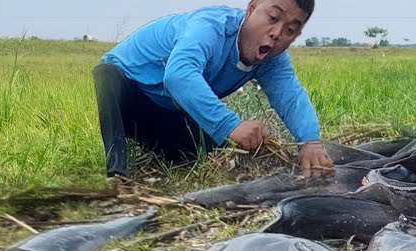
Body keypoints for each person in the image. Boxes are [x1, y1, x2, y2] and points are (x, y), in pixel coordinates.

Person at [93, 0, 334, 180]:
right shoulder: (210, 27)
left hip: (166, 111)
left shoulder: (272, 59)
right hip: (127, 94)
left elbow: (290, 96)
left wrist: (310, 141)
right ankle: (117, 174)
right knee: (107, 74)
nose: (277, 33)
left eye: (290, 30)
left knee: (205, 151)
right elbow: (178, 75)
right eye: (272, 18)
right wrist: (230, 125)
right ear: (251, 9)